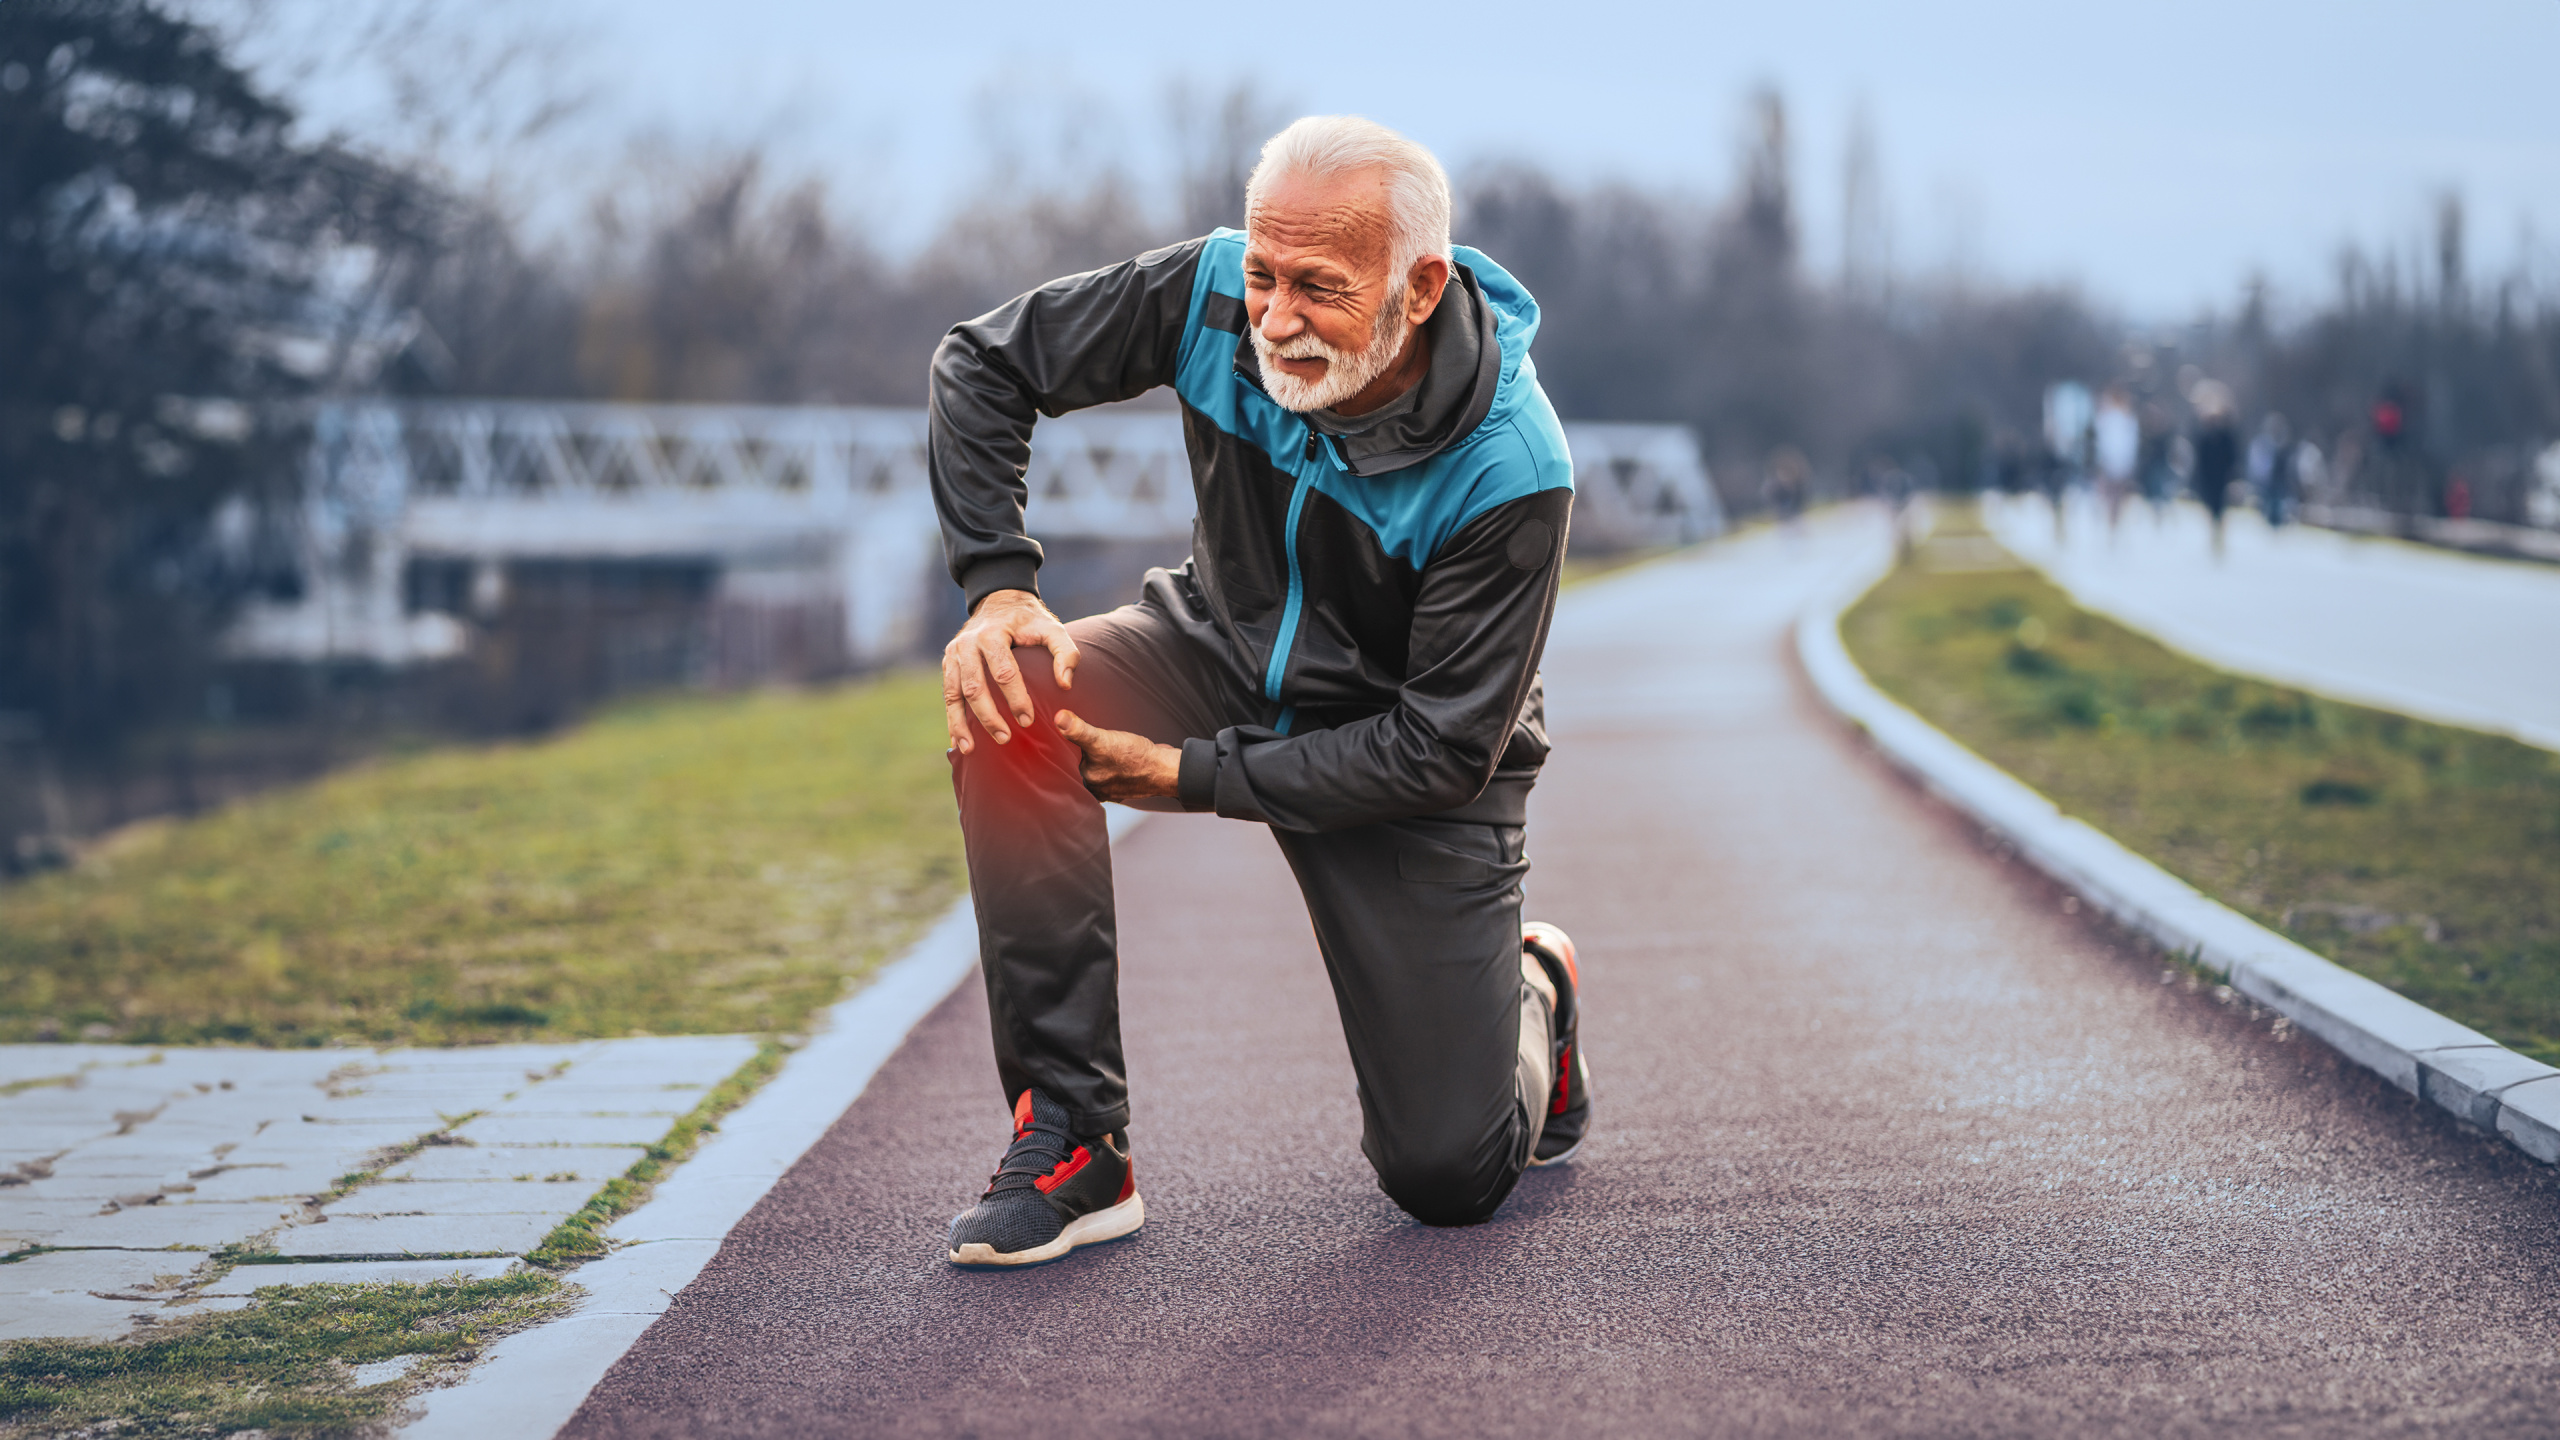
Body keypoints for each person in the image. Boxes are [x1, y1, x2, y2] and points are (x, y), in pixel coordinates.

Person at [928, 116, 1590, 1268]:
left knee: (1448, 1178)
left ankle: (1532, 992)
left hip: (1412, 762)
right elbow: (984, 364)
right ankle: (1078, 1142)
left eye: (1319, 289)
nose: (1273, 319)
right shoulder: (1204, 295)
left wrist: (1194, 778)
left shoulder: (1509, 465)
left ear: (1419, 285)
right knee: (1014, 694)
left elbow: (1439, 748)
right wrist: (996, 590)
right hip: (1216, 649)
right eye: (1263, 275)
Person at [2189, 381, 2240, 557]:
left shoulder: (2226, 433)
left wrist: (2233, 476)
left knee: (2220, 506)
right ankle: (2214, 532)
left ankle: (2219, 535)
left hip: (2222, 475)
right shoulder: (2203, 432)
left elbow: (2232, 455)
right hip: (2207, 475)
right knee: (2211, 506)